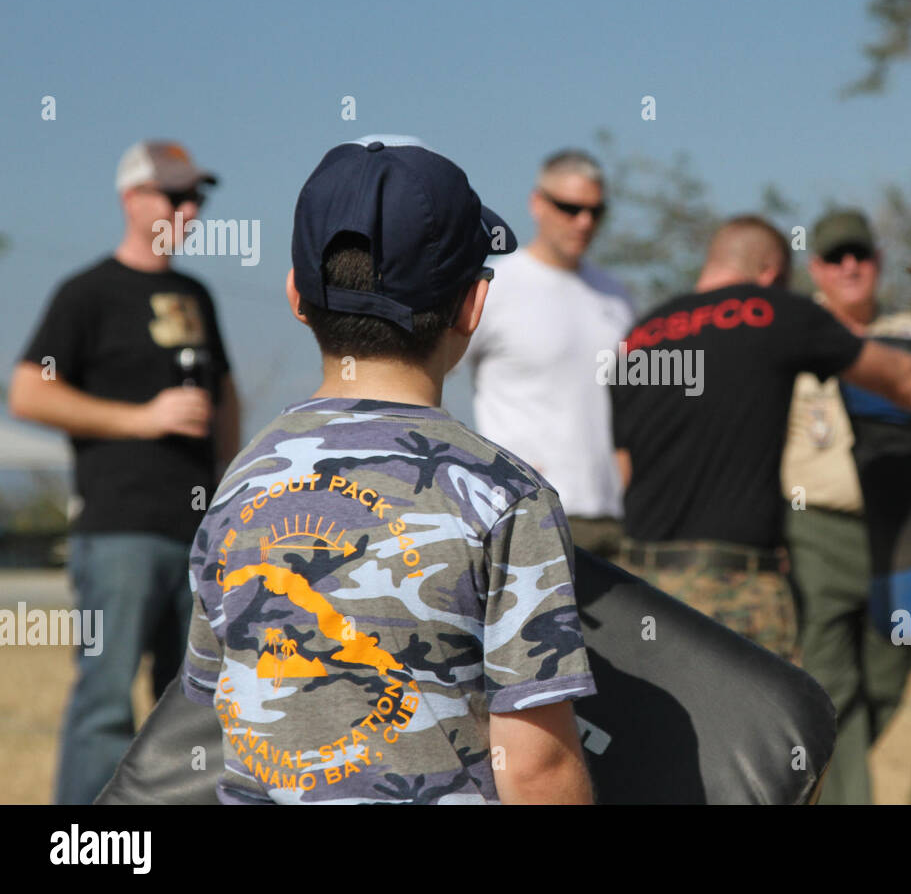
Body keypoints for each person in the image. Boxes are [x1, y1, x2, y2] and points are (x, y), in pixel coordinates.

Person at [180, 136, 595, 804]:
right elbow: (535, 766)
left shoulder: (240, 482)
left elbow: (213, 695)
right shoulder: (506, 497)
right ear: (472, 306)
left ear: (296, 295)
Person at [611, 215, 911, 661]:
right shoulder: (772, 310)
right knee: (758, 728)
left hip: (639, 581)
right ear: (771, 273)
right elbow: (903, 380)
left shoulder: (638, 337)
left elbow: (624, 464)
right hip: (735, 584)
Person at [9, 139, 240, 805]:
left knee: (194, 704)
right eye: (175, 195)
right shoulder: (87, 293)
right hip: (119, 532)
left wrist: (231, 486)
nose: (189, 208)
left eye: (197, 196)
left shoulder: (195, 293)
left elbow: (224, 397)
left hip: (198, 533)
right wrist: (145, 418)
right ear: (132, 198)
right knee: (106, 701)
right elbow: (29, 392)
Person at [781, 208, 911, 804]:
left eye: (860, 256)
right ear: (815, 267)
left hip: (900, 533)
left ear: (878, 263)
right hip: (815, 527)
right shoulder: (792, 333)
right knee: (830, 686)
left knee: (893, 677)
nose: (850, 267)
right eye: (836, 257)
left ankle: (825, 786)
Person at [461, 150, 634, 561]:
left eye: (596, 210)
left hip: (612, 517)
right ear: (537, 203)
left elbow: (632, 402)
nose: (585, 222)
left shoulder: (618, 296)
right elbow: (427, 371)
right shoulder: (496, 284)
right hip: (526, 510)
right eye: (570, 208)